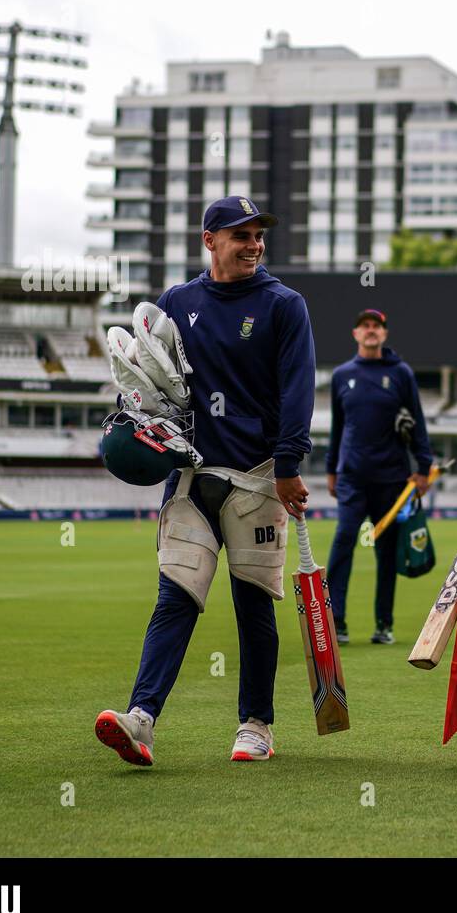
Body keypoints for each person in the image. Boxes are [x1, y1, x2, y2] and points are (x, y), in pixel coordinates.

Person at [95, 195, 316, 766]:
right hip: (191, 478)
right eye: (240, 234)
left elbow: (298, 392)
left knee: (252, 606)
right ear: (209, 240)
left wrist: (290, 466)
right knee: (176, 597)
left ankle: (256, 725)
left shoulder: (284, 305)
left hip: (259, 478)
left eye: (258, 234)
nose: (254, 244)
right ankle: (140, 719)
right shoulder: (176, 303)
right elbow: (150, 386)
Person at [325, 309, 434, 645]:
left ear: (384, 334)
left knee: (386, 552)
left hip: (392, 480)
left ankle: (383, 625)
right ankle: (335, 622)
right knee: (343, 541)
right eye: (365, 326)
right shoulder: (343, 375)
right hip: (352, 477)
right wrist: (332, 468)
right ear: (355, 333)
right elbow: (337, 427)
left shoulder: (400, 373)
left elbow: (417, 420)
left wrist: (424, 466)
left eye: (377, 326)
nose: (371, 331)